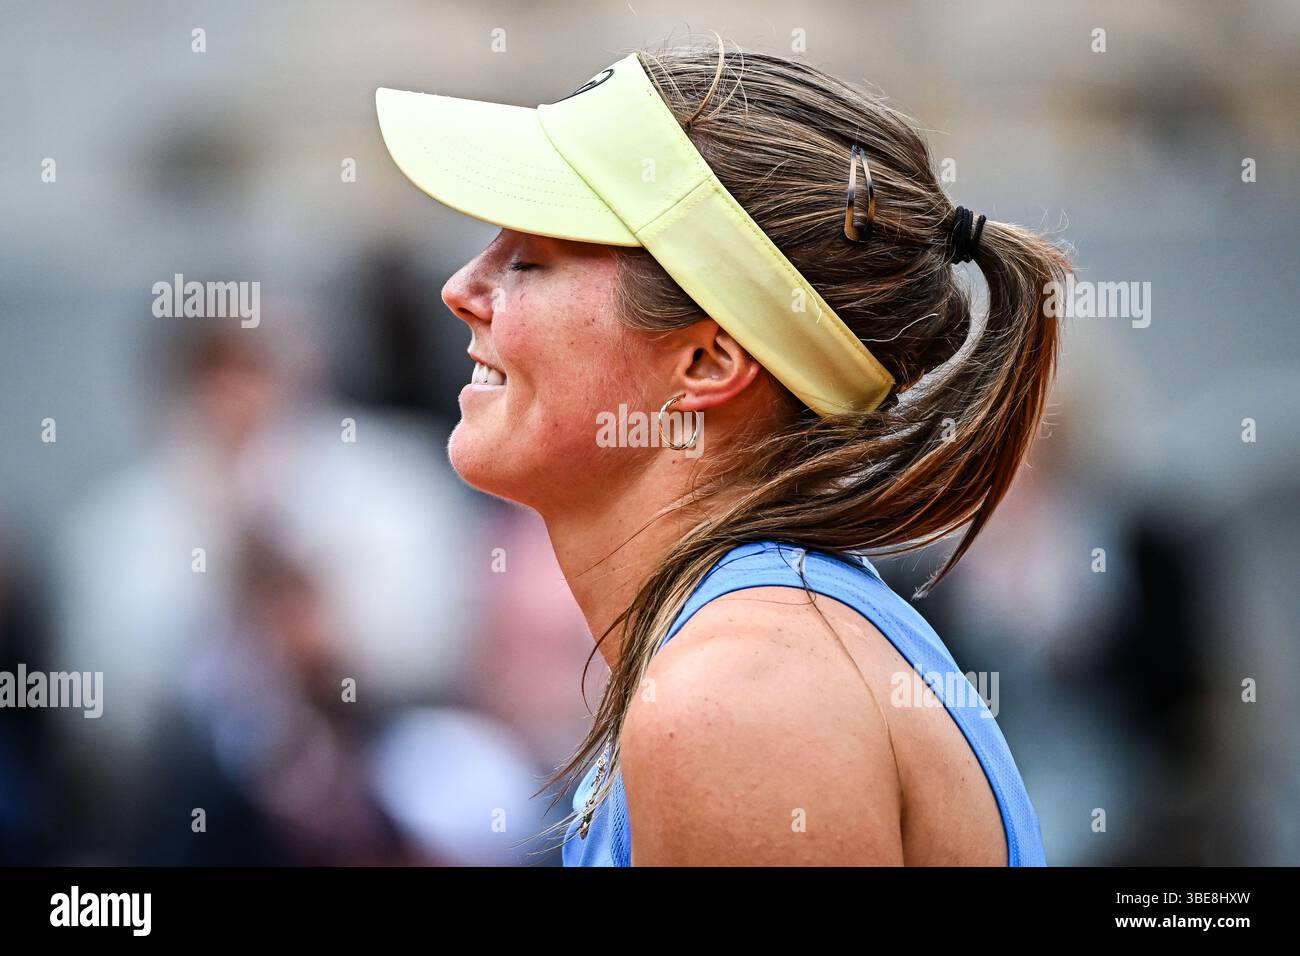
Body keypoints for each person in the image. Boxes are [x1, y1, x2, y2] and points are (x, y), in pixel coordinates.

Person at [374, 37, 1070, 865]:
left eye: (529, 259)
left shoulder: (735, 693)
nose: (460, 289)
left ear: (707, 361)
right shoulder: (752, 653)